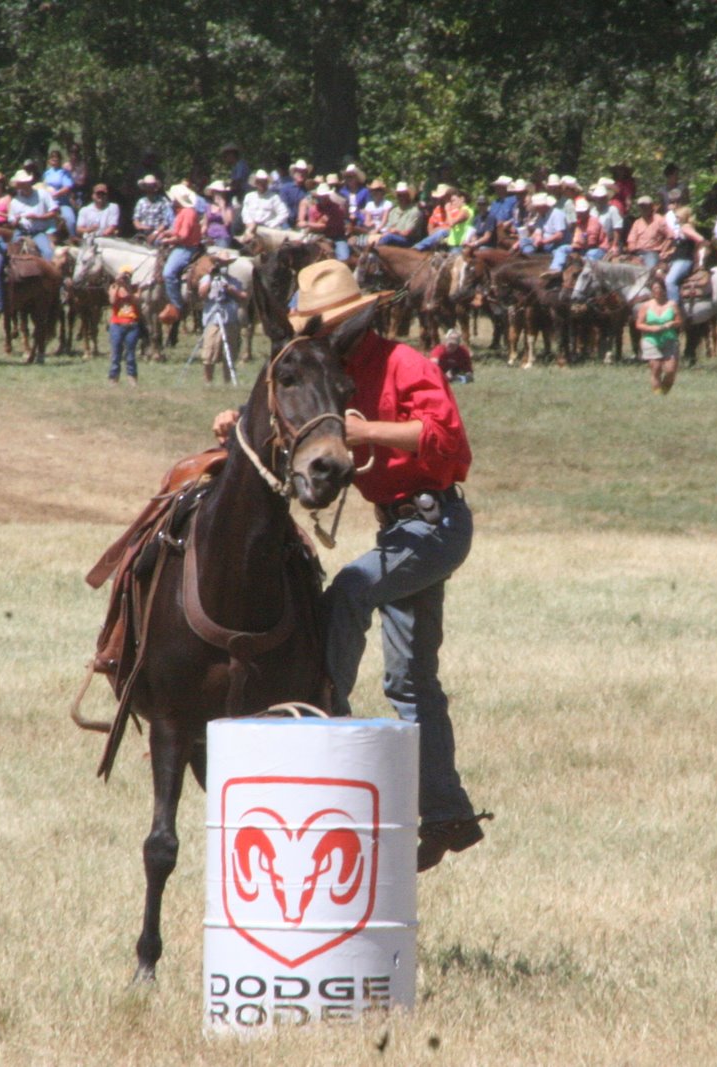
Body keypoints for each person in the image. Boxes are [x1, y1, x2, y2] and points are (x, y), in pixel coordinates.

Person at [212, 259, 483, 873]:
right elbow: (295, 412)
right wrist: (237, 417)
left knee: (351, 590)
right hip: (400, 524)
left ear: (364, 313)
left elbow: (448, 442)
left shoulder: (404, 364)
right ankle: (446, 813)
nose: (328, 331)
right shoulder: (334, 369)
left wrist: (369, 434)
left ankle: (325, 723)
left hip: (434, 523)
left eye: (334, 321)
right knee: (410, 681)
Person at [197, 247, 245, 383]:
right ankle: (208, 381)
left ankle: (227, 381)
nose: (223, 266)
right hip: (213, 318)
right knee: (209, 352)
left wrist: (230, 290)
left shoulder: (233, 280)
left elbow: (243, 297)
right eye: (220, 263)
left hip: (230, 318)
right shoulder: (207, 278)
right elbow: (201, 294)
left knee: (229, 352)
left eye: (225, 263)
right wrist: (211, 280)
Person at [158, 183, 203, 310]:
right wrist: (166, 233)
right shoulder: (184, 212)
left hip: (187, 248)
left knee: (168, 273)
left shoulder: (188, 213)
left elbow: (183, 236)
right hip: (182, 245)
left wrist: (167, 241)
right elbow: (177, 231)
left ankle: (177, 304)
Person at [636, 277, 683, 394]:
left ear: (664, 290)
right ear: (652, 291)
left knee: (671, 370)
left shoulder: (672, 304)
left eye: (659, 288)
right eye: (654, 289)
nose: (657, 291)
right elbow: (639, 324)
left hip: (669, 339)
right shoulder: (646, 306)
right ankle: (658, 396)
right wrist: (652, 328)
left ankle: (665, 391)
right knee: (655, 369)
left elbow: (679, 321)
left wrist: (672, 323)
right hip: (651, 340)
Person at [7, 170, 58, 260]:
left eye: (26, 183)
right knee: (11, 254)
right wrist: (17, 220)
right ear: (18, 186)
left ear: (29, 182)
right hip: (21, 232)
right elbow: (11, 223)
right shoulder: (14, 202)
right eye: (22, 184)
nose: (24, 186)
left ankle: (49, 271)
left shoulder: (42, 194)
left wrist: (38, 217)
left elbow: (54, 212)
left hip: (38, 232)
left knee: (48, 252)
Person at [107, 264, 142, 385]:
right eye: (124, 275)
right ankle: (113, 378)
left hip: (132, 325)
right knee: (116, 353)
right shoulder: (113, 287)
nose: (125, 278)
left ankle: (132, 377)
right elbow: (112, 301)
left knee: (131, 354)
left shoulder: (135, 288)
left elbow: (137, 302)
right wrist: (117, 285)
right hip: (117, 325)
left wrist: (129, 290)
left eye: (127, 276)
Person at [664, 206, 706, 296]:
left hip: (683, 260)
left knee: (669, 281)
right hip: (676, 259)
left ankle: (673, 307)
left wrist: (694, 249)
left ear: (683, 217)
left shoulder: (685, 228)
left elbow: (700, 239)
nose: (676, 219)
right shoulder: (682, 228)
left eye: (678, 217)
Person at [415, 186, 470, 251]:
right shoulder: (437, 209)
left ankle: (417, 247)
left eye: (441, 197)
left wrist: (439, 228)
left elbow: (451, 226)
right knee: (439, 232)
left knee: (442, 232)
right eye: (438, 198)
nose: (439, 199)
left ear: (447, 197)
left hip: (452, 238)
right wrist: (437, 231)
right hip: (436, 237)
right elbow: (430, 227)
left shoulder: (456, 209)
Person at [42, 149, 78, 237]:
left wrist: (57, 194)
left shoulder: (64, 173)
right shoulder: (46, 174)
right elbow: (43, 186)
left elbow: (68, 187)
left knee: (71, 220)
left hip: (62, 202)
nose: (54, 160)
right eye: (52, 158)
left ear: (60, 160)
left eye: (56, 158)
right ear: (49, 160)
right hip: (49, 203)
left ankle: (73, 237)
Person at [626, 196, 668, 268]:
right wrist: (632, 246)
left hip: (652, 252)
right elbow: (631, 240)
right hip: (637, 252)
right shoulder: (637, 222)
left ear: (651, 207)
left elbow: (670, 236)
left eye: (646, 206)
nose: (643, 209)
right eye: (641, 207)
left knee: (649, 269)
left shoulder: (659, 220)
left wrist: (664, 250)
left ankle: (650, 276)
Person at [375, 184, 420, 248]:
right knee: (377, 237)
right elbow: (388, 227)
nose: (401, 198)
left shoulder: (414, 211)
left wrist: (396, 231)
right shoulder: (394, 211)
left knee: (388, 237)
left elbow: (407, 233)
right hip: (392, 236)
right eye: (399, 195)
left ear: (408, 196)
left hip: (408, 240)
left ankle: (376, 250)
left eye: (403, 195)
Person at [201, 181, 235, 247]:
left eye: (219, 193)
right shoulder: (208, 207)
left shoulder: (228, 207)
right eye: (215, 193)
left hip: (222, 236)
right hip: (209, 236)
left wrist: (222, 208)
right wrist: (201, 234)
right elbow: (205, 224)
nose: (217, 195)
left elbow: (227, 223)